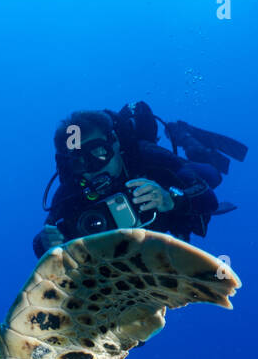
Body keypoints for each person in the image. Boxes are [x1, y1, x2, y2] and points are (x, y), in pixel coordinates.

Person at [33, 102, 245, 257]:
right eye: (80, 162)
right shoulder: (71, 190)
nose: (93, 168)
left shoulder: (147, 159)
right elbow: (43, 239)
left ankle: (185, 137)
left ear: (115, 142)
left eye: (99, 152)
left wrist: (171, 199)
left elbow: (209, 199)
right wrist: (48, 242)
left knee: (210, 174)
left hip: (180, 184)